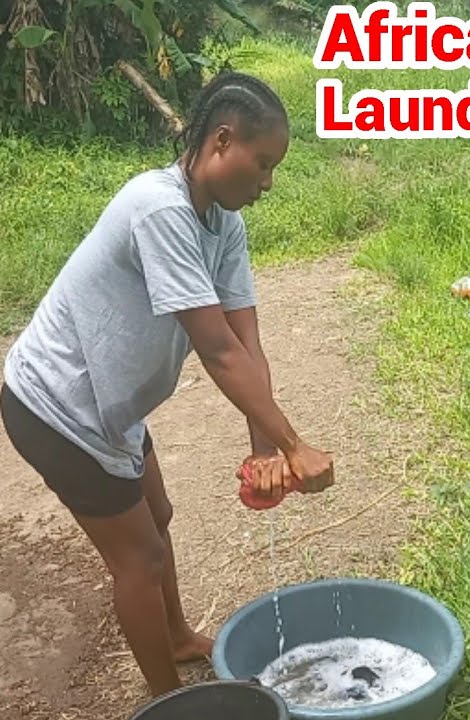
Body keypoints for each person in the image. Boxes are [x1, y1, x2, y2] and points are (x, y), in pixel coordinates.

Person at [0, 71, 335, 697]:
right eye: (262, 164)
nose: (267, 183)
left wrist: (264, 451)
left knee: (160, 514)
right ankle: (166, 700)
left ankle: (177, 637)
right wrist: (295, 445)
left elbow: (245, 344)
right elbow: (214, 349)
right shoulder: (158, 208)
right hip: (53, 406)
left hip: (108, 411)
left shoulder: (224, 224)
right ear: (221, 141)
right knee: (140, 558)